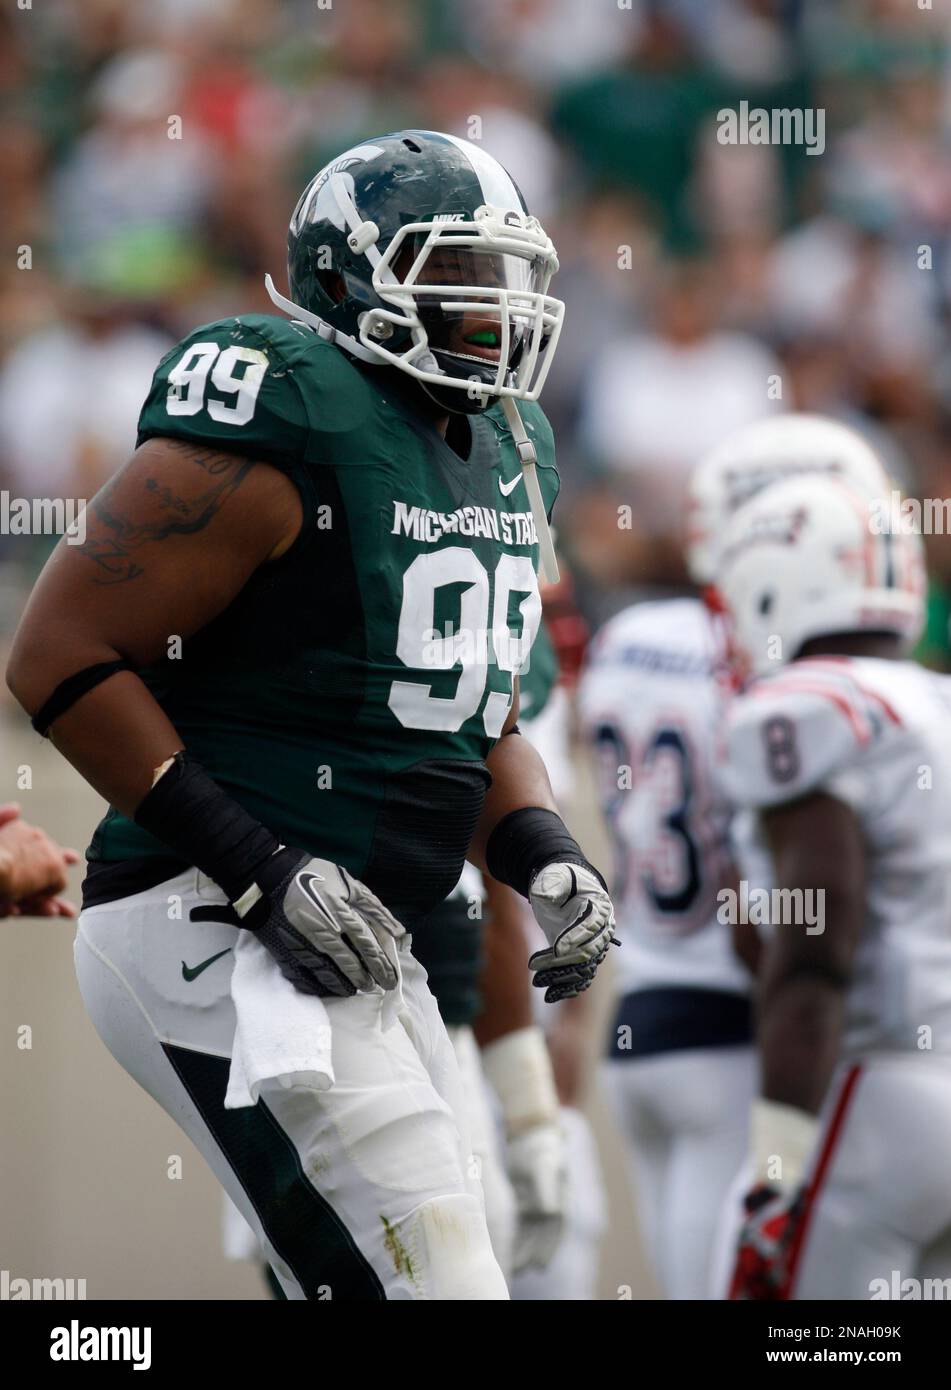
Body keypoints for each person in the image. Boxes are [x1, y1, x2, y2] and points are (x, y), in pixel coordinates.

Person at [6, 130, 616, 1301]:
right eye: (458, 276)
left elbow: (468, 719)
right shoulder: (290, 403)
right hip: (211, 920)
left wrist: (542, 849)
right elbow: (56, 656)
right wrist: (260, 867)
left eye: (504, 274)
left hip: (361, 940)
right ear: (358, 278)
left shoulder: (507, 444)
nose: (496, 306)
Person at [580, 412, 892, 1298]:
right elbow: (779, 885)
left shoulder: (626, 638)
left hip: (639, 1017)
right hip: (737, 1032)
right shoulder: (766, 668)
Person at [714, 474, 951, 1300]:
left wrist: (775, 1169)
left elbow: (817, 942)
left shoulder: (807, 709)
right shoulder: (935, 703)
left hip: (874, 1099)